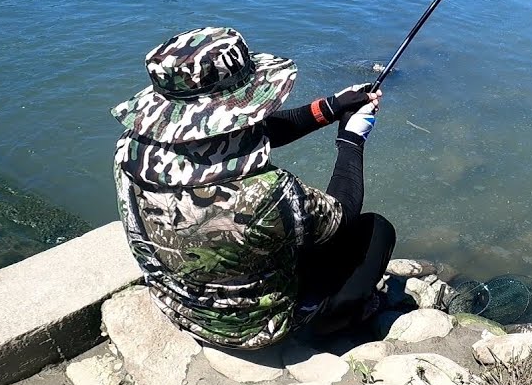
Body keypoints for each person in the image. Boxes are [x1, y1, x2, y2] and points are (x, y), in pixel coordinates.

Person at [110, 26, 394, 349]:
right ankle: (331, 320)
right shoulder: (269, 194)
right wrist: (351, 139)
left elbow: (252, 133)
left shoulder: (129, 150)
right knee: (376, 230)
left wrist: (330, 107)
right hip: (249, 329)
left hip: (174, 303)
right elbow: (342, 215)